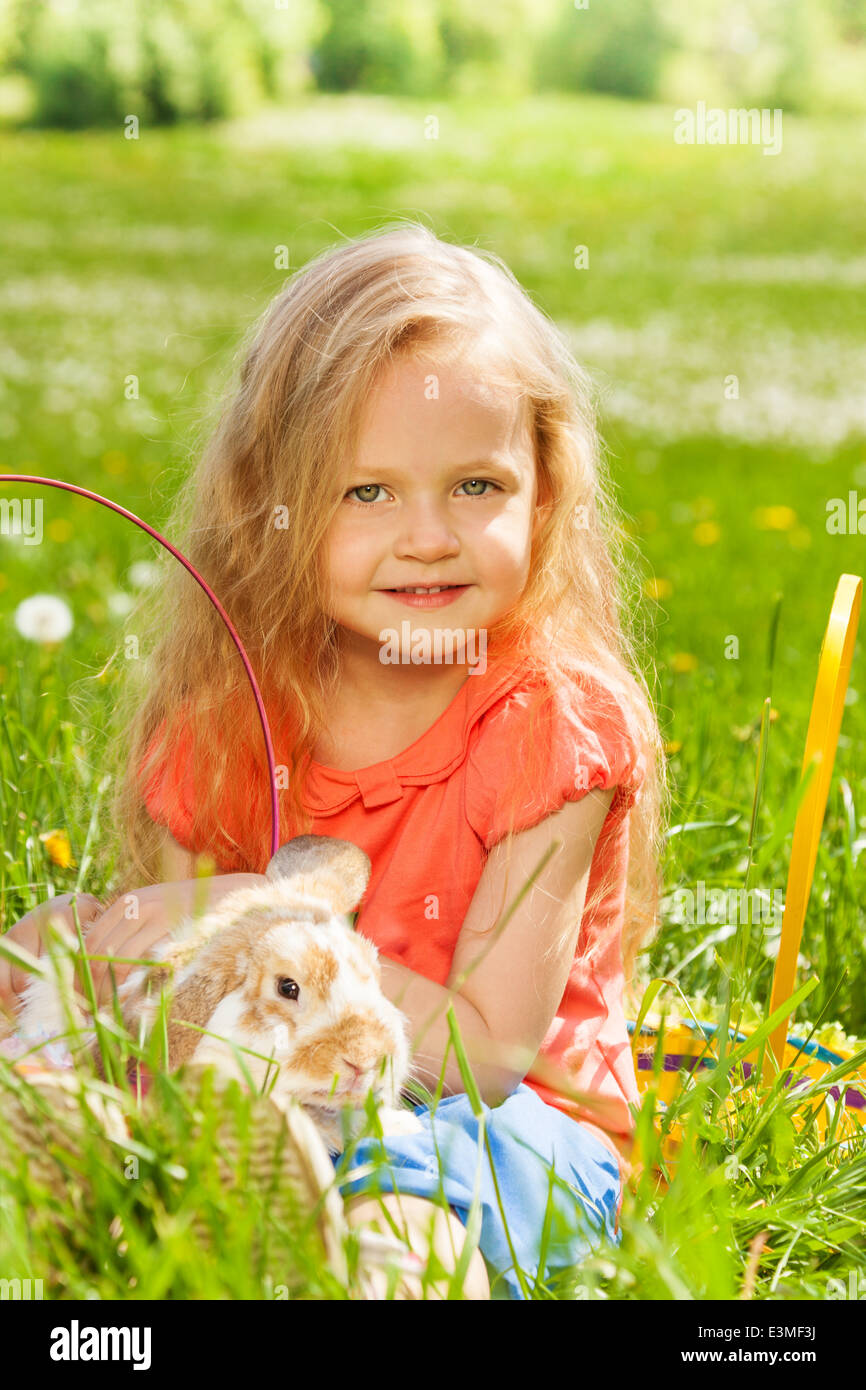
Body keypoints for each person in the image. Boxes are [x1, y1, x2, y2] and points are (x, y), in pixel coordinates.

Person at [0, 221, 667, 1300]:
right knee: (127, 1094)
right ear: (263, 506)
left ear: (544, 488)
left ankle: (380, 1264)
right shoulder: (228, 717)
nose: (428, 536)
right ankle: (92, 1170)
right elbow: (182, 1000)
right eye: (367, 492)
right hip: (279, 1100)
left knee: (427, 1177)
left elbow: (495, 1053)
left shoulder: (551, 728)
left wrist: (241, 910)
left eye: (476, 486)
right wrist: (80, 959)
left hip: (506, 1130)